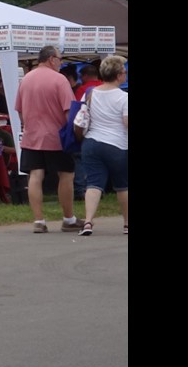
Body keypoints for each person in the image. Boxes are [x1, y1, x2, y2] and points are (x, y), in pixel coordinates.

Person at [14, 44, 79, 232]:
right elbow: (69, 111)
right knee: (66, 174)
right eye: (59, 59)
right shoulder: (59, 80)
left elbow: (19, 111)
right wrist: (73, 134)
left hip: (31, 136)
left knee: (35, 175)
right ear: (52, 59)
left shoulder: (25, 79)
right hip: (56, 136)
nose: (60, 63)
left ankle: (39, 221)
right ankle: (68, 218)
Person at [76, 55, 128, 235]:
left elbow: (83, 116)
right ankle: (127, 224)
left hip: (91, 142)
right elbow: (126, 123)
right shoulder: (123, 97)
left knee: (93, 184)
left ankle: (88, 221)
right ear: (119, 75)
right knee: (122, 185)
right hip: (117, 145)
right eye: (124, 71)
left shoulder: (91, 93)